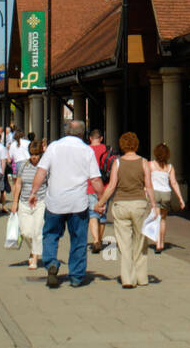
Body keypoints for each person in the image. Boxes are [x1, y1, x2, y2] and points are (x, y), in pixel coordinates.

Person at [28, 120, 104, 289]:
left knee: (51, 235)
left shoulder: (54, 147)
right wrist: (101, 199)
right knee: (78, 239)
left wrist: (33, 192)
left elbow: (41, 171)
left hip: (55, 201)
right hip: (78, 203)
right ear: (83, 134)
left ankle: (51, 263)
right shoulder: (87, 151)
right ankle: (76, 276)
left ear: (66, 131)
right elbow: (96, 179)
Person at [98, 133, 157, 289]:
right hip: (139, 204)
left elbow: (111, 186)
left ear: (122, 145)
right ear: (136, 145)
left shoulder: (117, 163)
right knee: (140, 242)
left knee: (124, 244)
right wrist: (154, 205)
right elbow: (149, 186)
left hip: (121, 204)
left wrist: (101, 202)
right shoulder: (144, 162)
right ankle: (142, 277)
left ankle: (128, 278)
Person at [11, 138, 47, 269]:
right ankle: (34, 249)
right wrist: (15, 202)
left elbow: (49, 184)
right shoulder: (23, 166)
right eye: (32, 154)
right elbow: (18, 183)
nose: (34, 157)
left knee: (37, 230)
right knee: (26, 231)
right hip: (24, 202)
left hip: (40, 201)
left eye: (36, 155)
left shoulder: (44, 167)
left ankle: (35, 258)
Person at [149, 143, 184, 254]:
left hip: (155, 193)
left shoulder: (151, 165)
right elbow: (173, 183)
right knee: (163, 220)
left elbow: (146, 181)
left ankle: (157, 242)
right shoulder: (169, 167)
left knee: (156, 219)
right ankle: (161, 243)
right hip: (166, 194)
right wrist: (180, 198)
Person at [88, 128, 114, 254]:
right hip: (105, 186)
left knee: (92, 214)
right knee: (102, 214)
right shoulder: (106, 150)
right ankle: (100, 238)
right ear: (101, 138)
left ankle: (95, 239)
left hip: (89, 185)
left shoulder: (86, 150)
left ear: (90, 138)